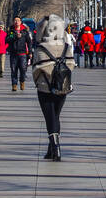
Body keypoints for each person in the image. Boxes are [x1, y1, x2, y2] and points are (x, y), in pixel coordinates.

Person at [32, 14, 75, 160]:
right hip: (62, 86)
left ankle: (55, 148)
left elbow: (36, 69)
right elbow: (70, 65)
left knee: (49, 117)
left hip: (44, 87)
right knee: (56, 116)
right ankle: (52, 149)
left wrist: (41, 79)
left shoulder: (40, 48)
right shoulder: (66, 47)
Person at [6, 17, 33, 91]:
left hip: (23, 54)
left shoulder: (24, 31)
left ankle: (22, 82)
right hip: (13, 54)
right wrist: (15, 37)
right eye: (15, 20)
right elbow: (8, 40)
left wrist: (30, 52)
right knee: (14, 70)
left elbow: (29, 42)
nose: (16, 22)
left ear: (21, 22)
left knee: (23, 70)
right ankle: (14, 85)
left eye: (18, 20)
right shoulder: (11, 31)